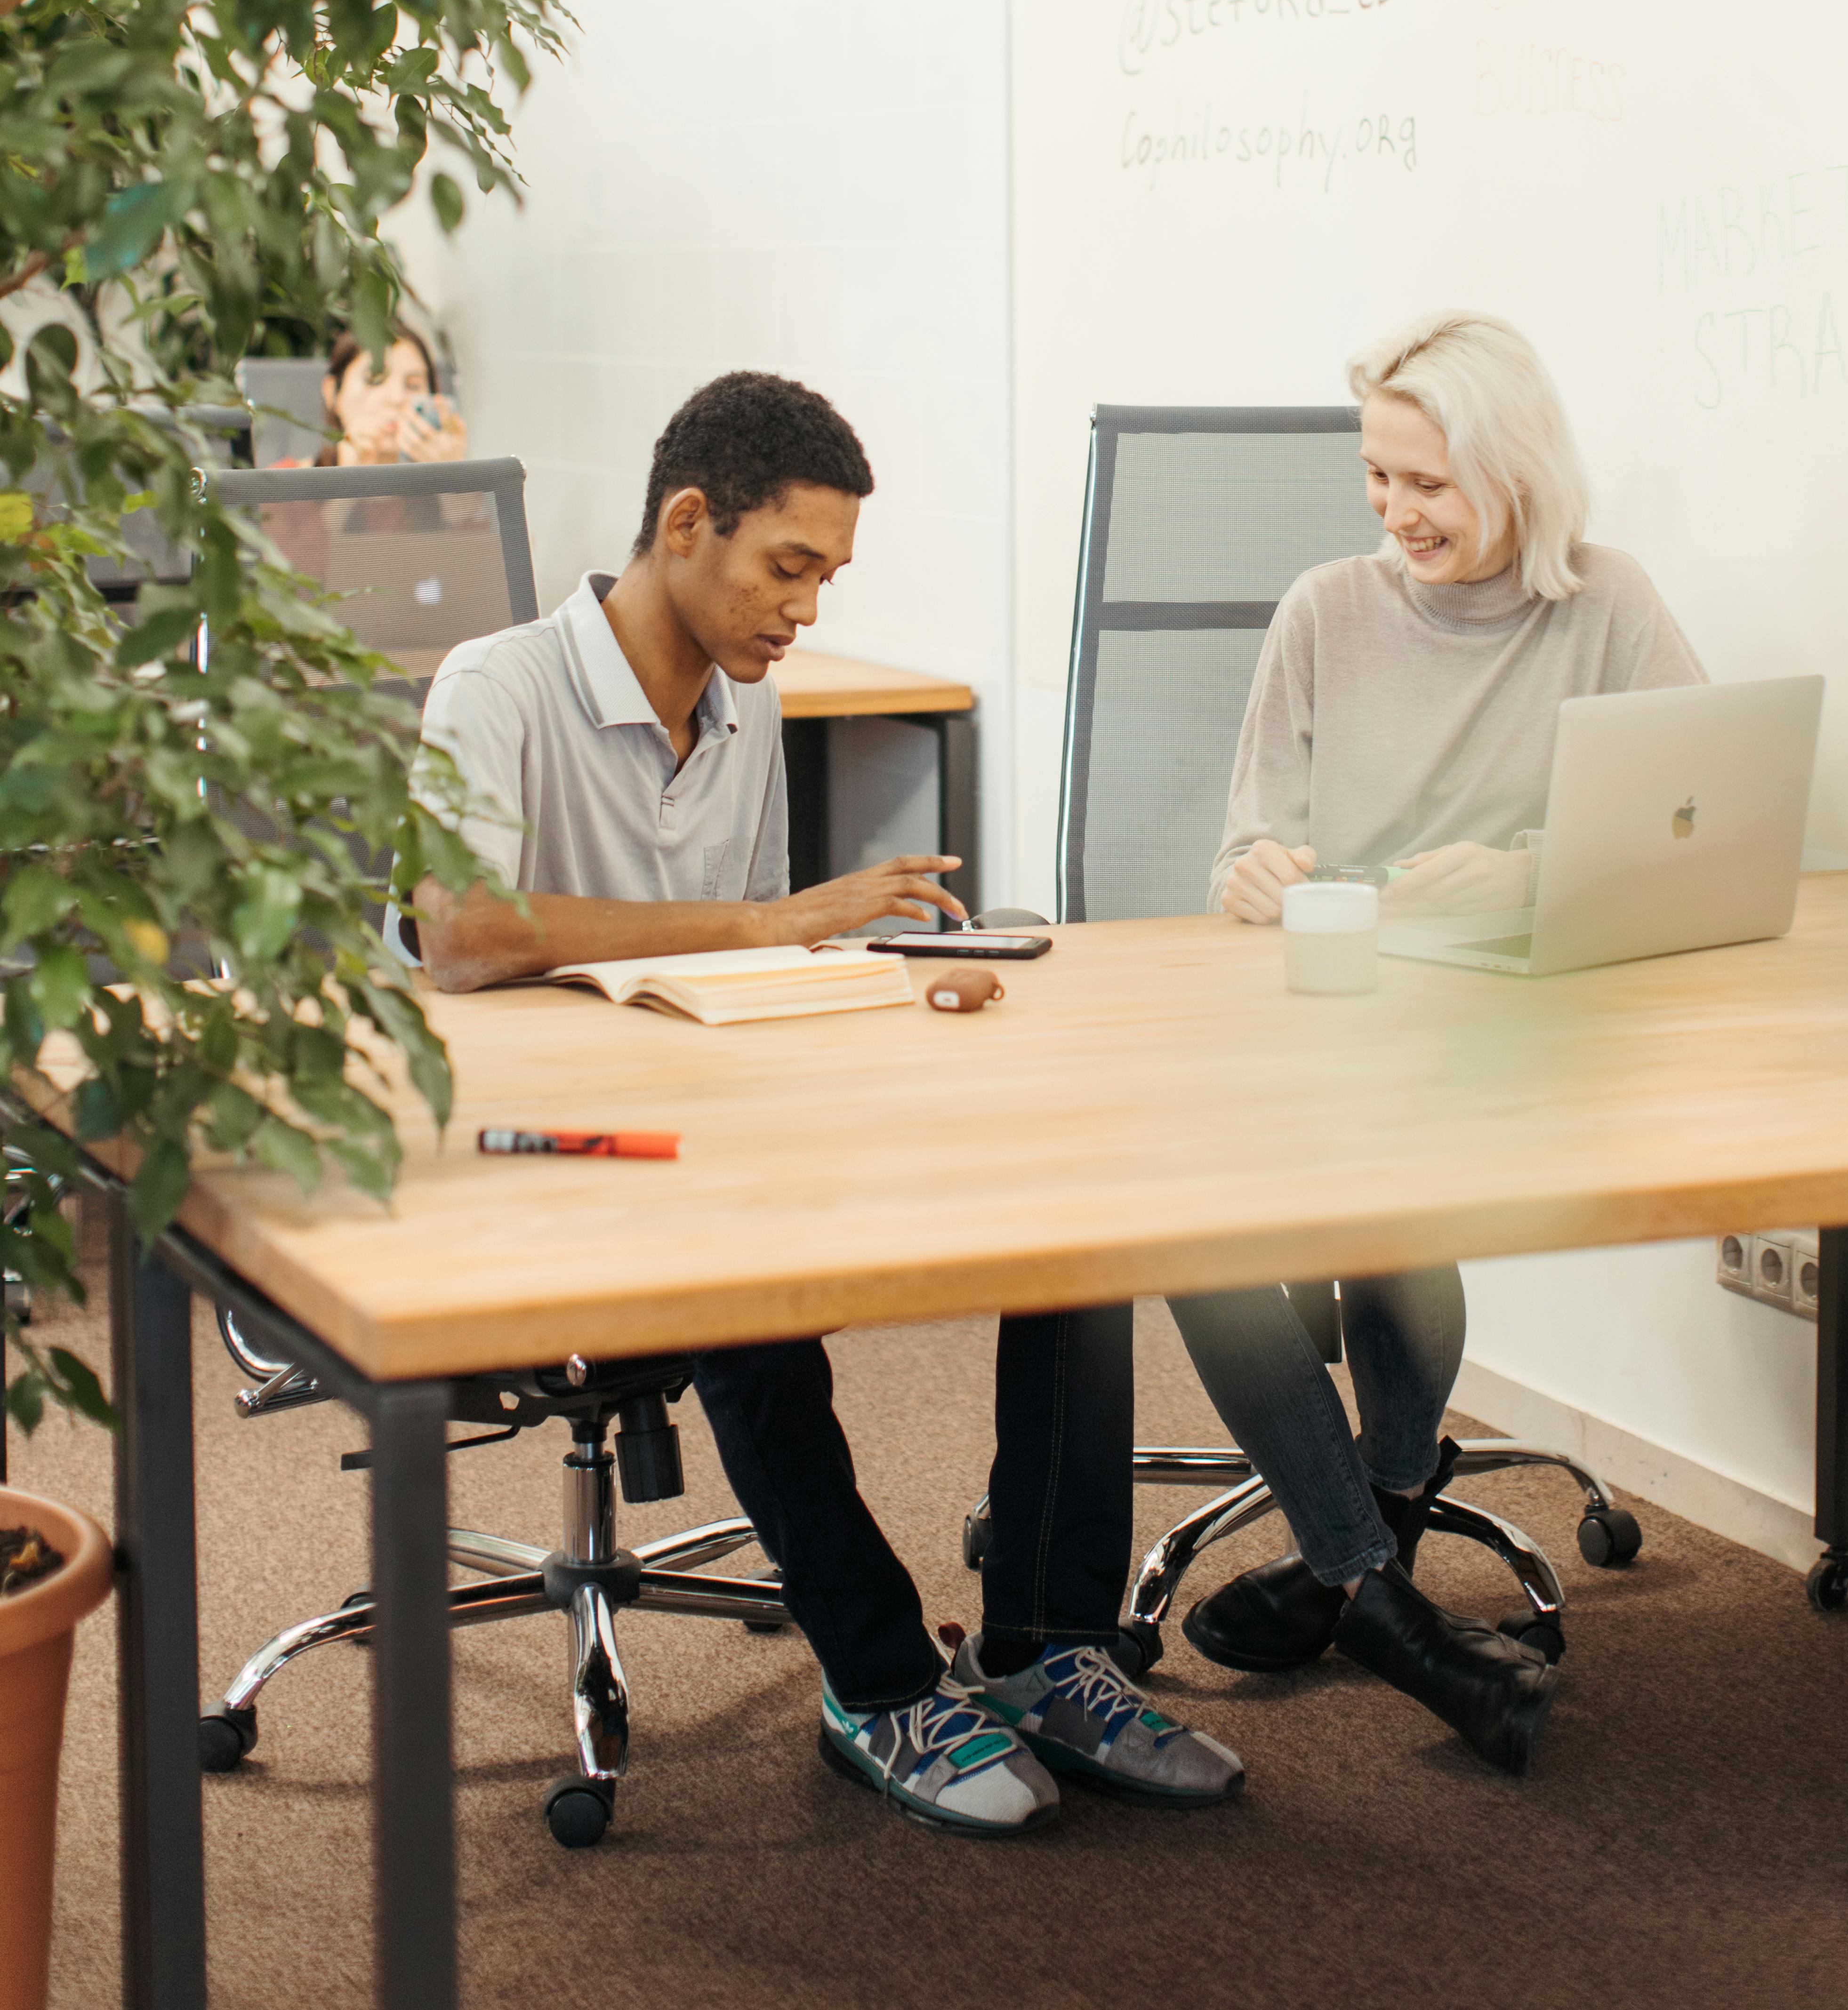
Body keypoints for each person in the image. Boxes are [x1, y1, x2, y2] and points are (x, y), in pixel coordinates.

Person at [413, 368, 1242, 1837]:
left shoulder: (744, 706)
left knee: (1074, 1210)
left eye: (827, 579)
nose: (803, 608)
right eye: (787, 566)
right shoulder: (498, 684)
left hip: (706, 1121)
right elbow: (460, 931)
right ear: (687, 523)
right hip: (531, 1157)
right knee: (744, 1274)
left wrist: (878, 988)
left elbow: (750, 968)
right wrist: (770, 925)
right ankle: (878, 1679)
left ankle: (1046, 1646)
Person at [1167, 310, 1705, 1775]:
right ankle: (1373, 1575)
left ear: (1518, 473)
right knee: (1184, 1221)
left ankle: (1349, 1561)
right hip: (1330, 1013)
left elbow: (1696, 825)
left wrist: (1526, 874)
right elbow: (1241, 845)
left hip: (1515, 1036)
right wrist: (1254, 873)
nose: (1395, 513)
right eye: (1376, 477)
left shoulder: (1608, 605)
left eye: (1428, 482)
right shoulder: (1324, 610)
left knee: (1395, 1192)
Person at [315, 324, 467, 467]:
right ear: (332, 392)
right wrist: (345, 480)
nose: (397, 398)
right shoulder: (300, 479)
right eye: (374, 380)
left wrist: (452, 475)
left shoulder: (448, 475)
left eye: (414, 385)